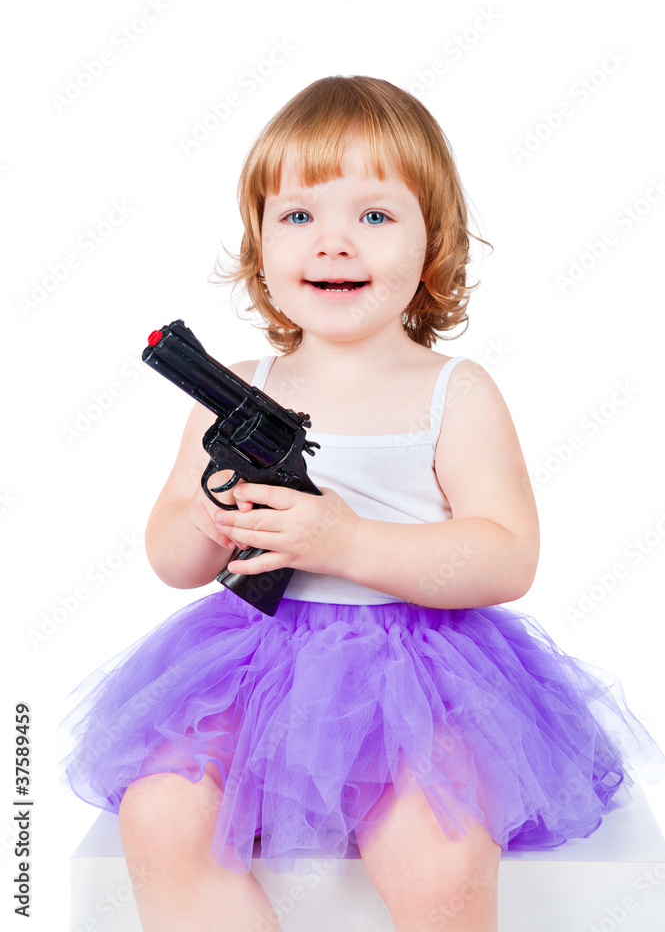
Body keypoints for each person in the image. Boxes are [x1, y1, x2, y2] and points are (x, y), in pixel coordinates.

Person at [59, 75, 665, 932]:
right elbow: (168, 559)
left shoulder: (453, 392)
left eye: (374, 217)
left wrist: (345, 541)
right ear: (259, 245)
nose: (333, 243)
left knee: (441, 859)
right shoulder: (234, 390)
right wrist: (205, 516)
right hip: (252, 663)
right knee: (159, 817)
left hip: (423, 669)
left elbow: (506, 555)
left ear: (433, 245)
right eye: (298, 216)